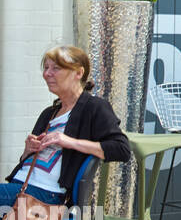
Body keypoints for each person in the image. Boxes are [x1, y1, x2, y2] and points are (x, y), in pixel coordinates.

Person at [6, 45, 130, 210]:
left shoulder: (94, 107)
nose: (47, 74)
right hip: (21, 186)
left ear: (78, 73)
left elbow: (121, 149)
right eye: (46, 68)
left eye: (56, 68)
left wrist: (69, 141)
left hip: (47, 195)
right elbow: (27, 163)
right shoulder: (48, 113)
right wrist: (27, 152)